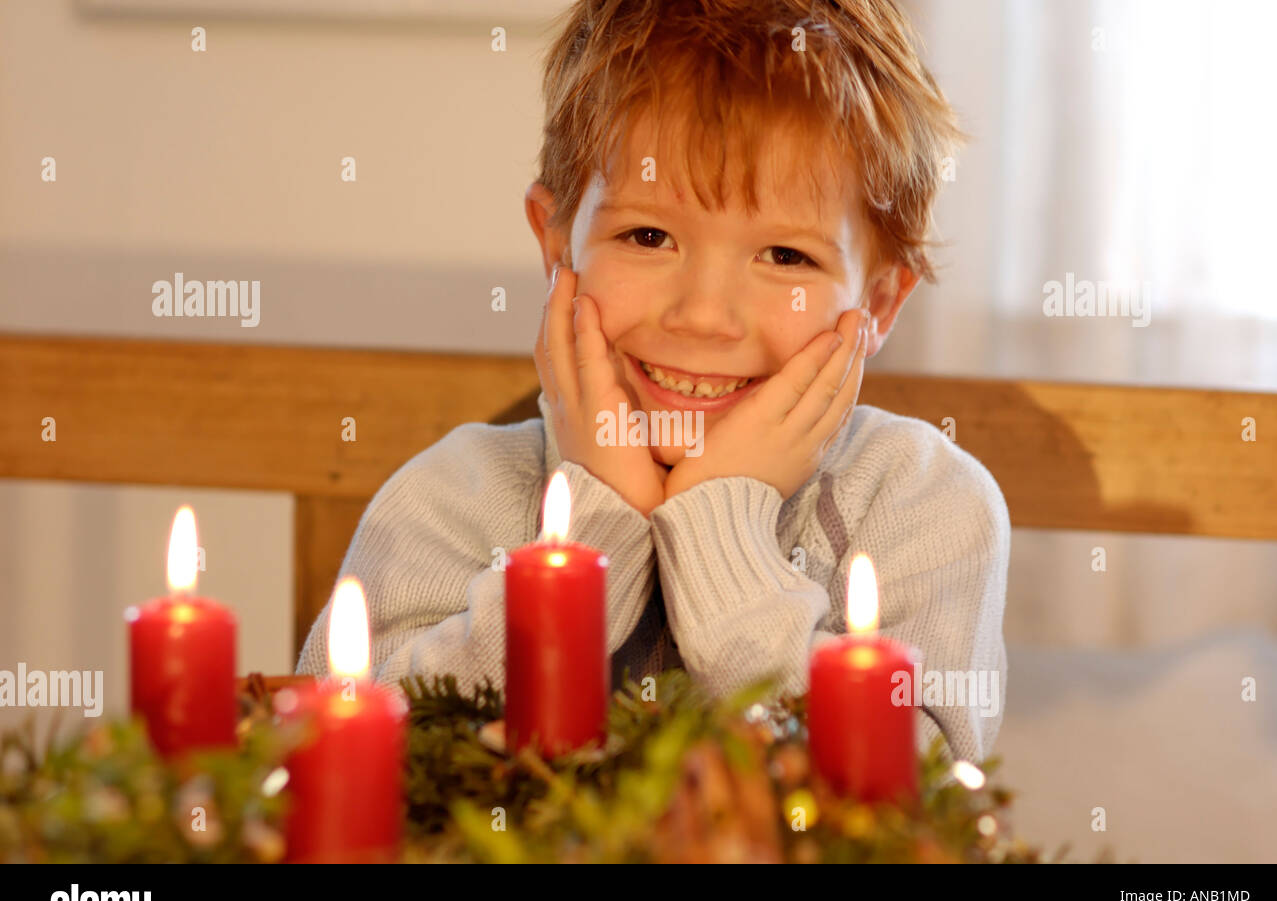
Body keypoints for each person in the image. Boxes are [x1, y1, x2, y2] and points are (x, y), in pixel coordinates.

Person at [297, 0, 1009, 762]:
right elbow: (345, 760)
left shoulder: (926, 506)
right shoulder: (452, 498)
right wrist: (594, 528)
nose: (704, 316)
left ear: (875, 304)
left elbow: (923, 795)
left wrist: (720, 525)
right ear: (556, 247)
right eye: (647, 236)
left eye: (785, 257)